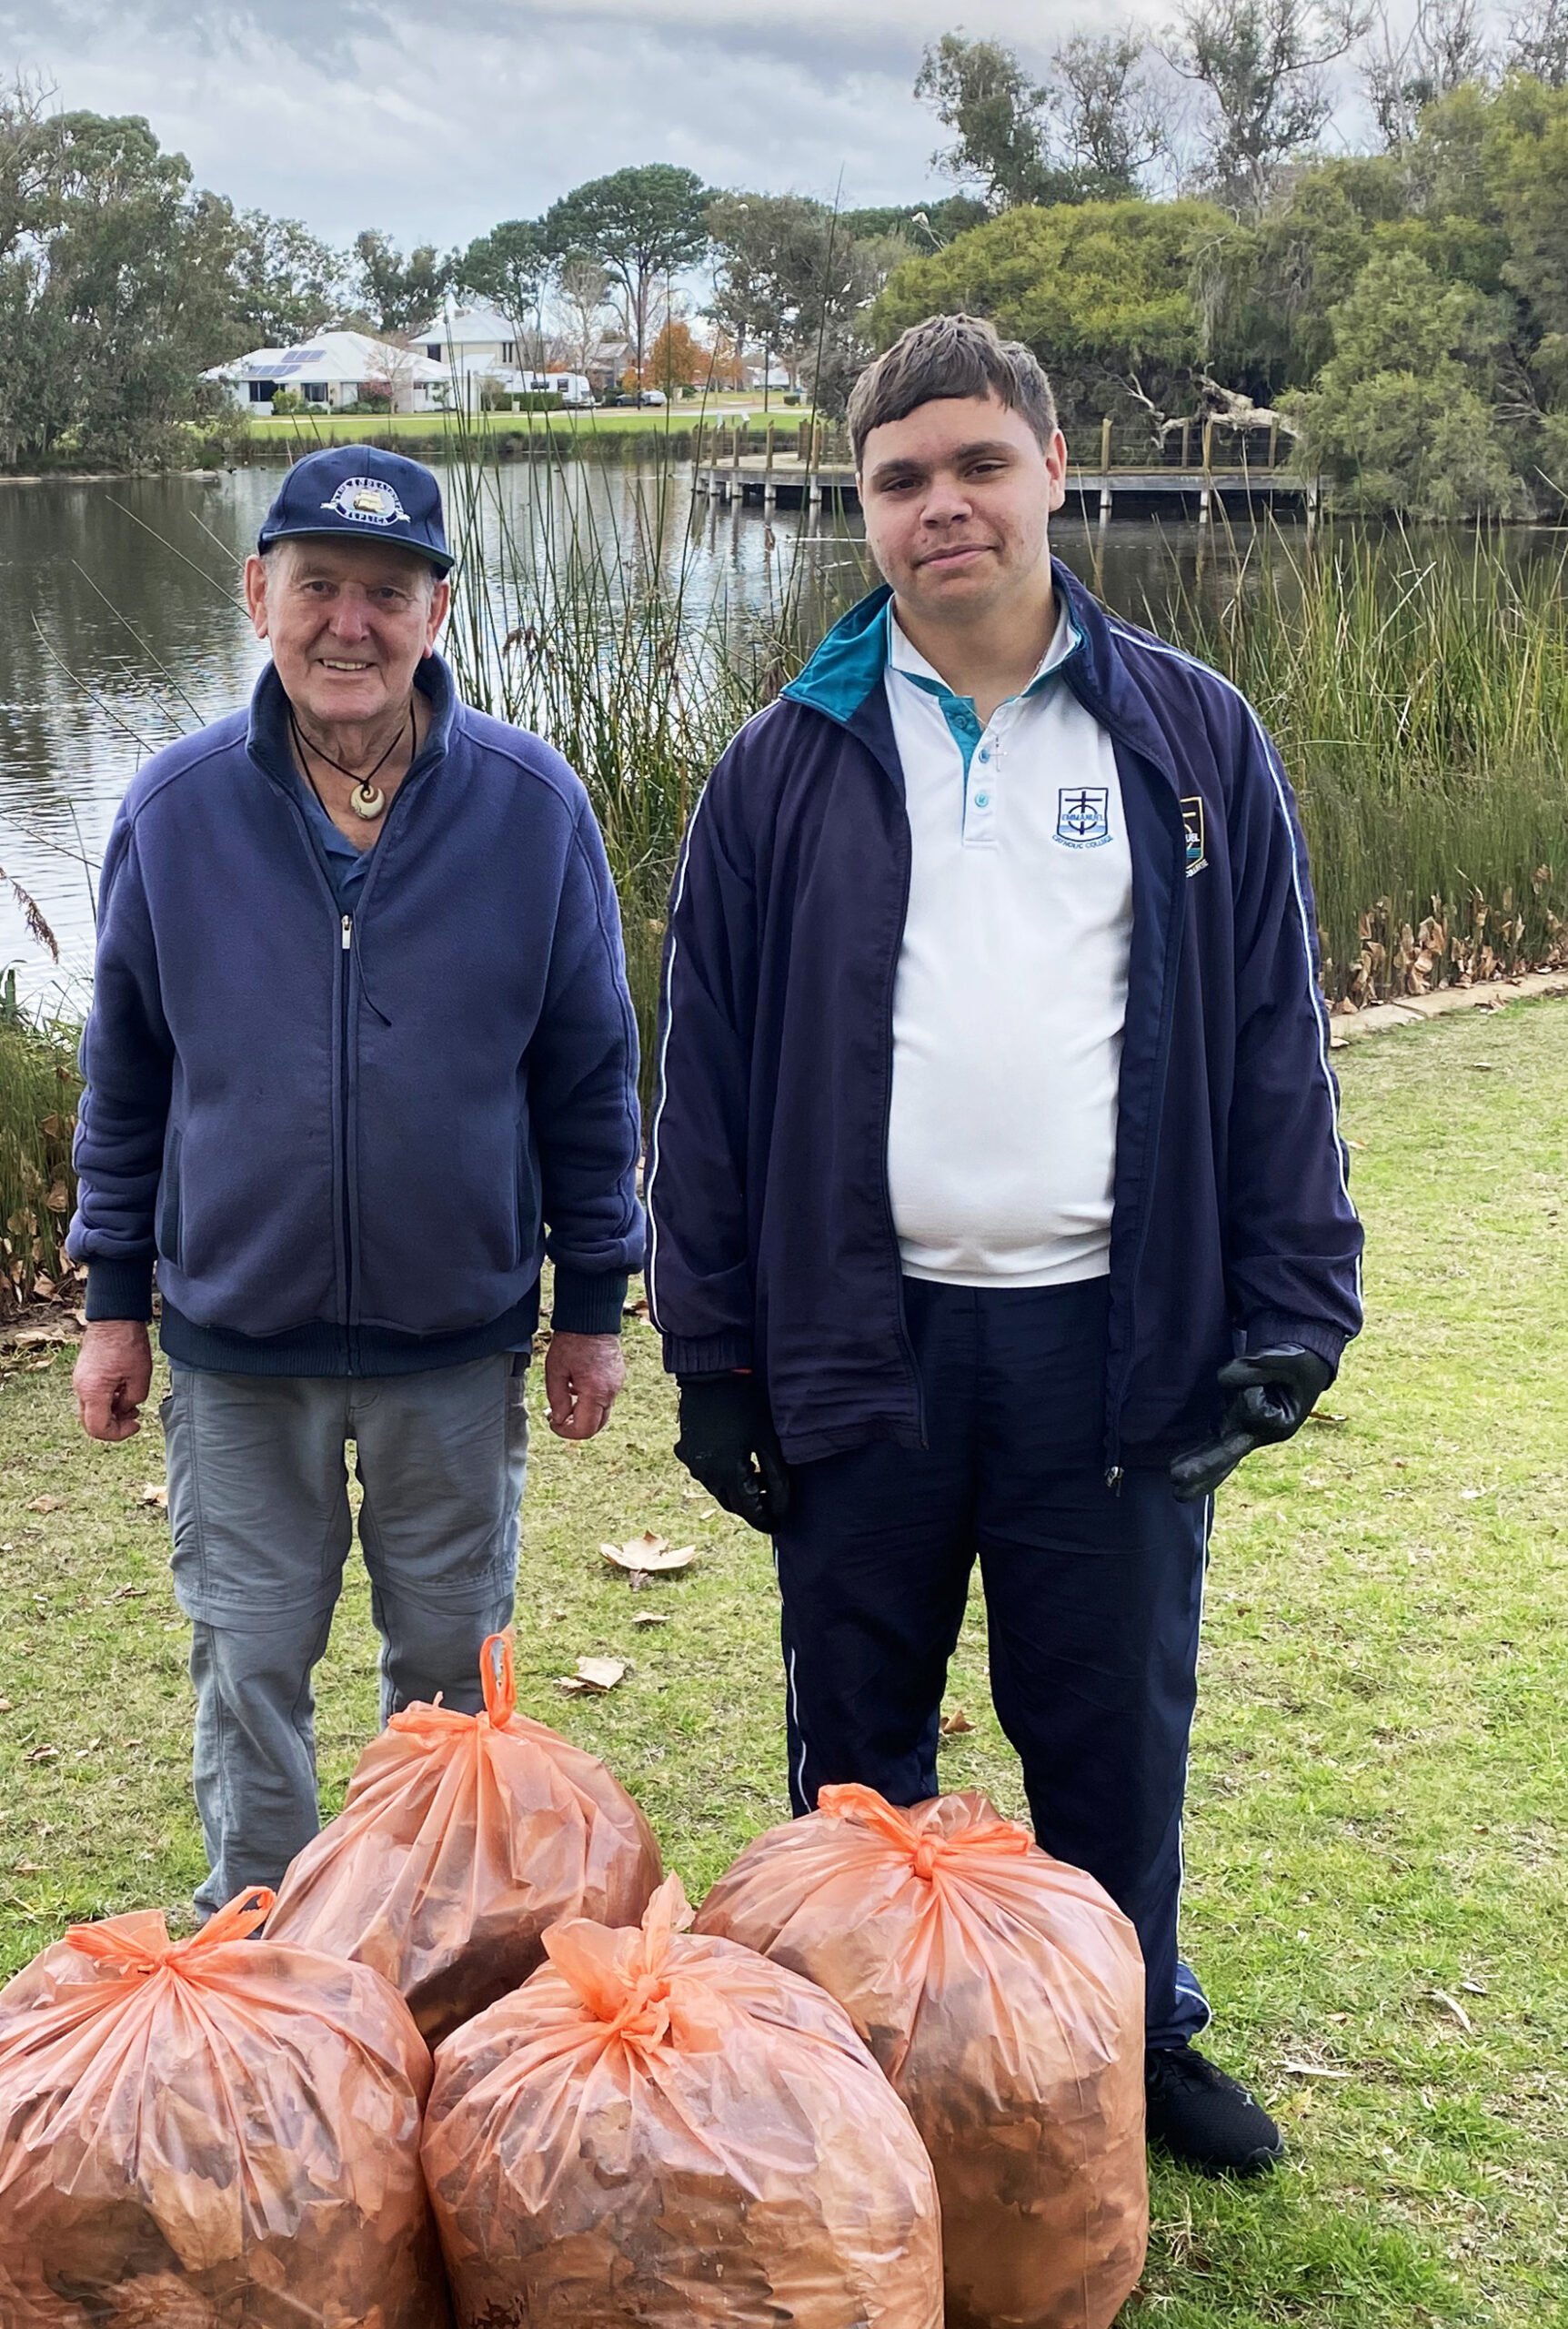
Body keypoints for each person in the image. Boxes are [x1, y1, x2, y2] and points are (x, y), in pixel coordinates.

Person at [647, 316, 1362, 2176]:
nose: (940, 504)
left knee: (1106, 1720)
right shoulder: (781, 762)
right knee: (857, 1739)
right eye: (899, 479)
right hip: (854, 1341)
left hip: (1109, 1344)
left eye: (976, 464)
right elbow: (704, 1075)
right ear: (862, 511)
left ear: (1051, 468)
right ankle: (856, 2056)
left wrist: (1294, 1300)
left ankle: (1126, 2035)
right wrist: (711, 1351)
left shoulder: (1189, 734)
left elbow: (1273, 1031)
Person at [67, 446, 642, 1919]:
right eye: (318, 585)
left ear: (436, 613)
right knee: (249, 1659)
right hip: (234, 1340)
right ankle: (259, 1941)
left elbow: (587, 1073)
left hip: (455, 1339)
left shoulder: (533, 805)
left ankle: (427, 1941)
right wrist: (112, 1302)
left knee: (450, 1669)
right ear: (259, 594)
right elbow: (126, 1073)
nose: (349, 624)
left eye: (387, 593)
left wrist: (594, 1306)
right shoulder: (176, 808)